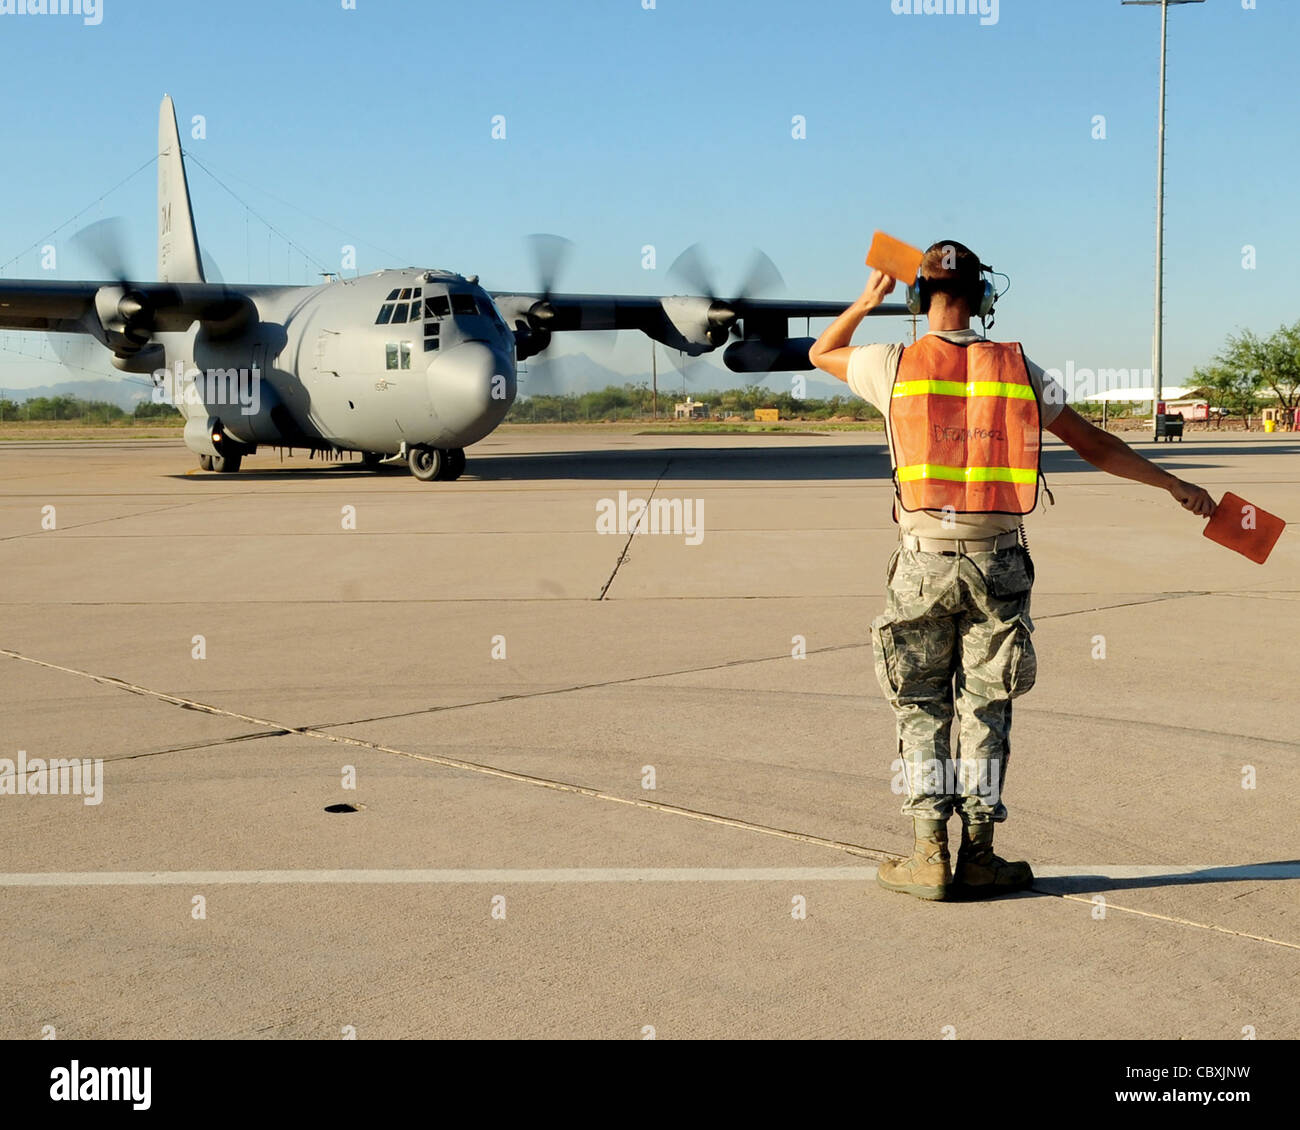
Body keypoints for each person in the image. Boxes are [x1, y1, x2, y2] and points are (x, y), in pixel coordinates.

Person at [809, 239, 1216, 901]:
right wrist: (1172, 484)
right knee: (986, 708)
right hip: (999, 562)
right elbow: (1096, 445)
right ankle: (980, 854)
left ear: (917, 299)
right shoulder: (1021, 370)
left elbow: (819, 353)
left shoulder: (894, 362)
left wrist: (864, 301)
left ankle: (927, 855)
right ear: (986, 299)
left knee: (919, 707)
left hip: (923, 561)